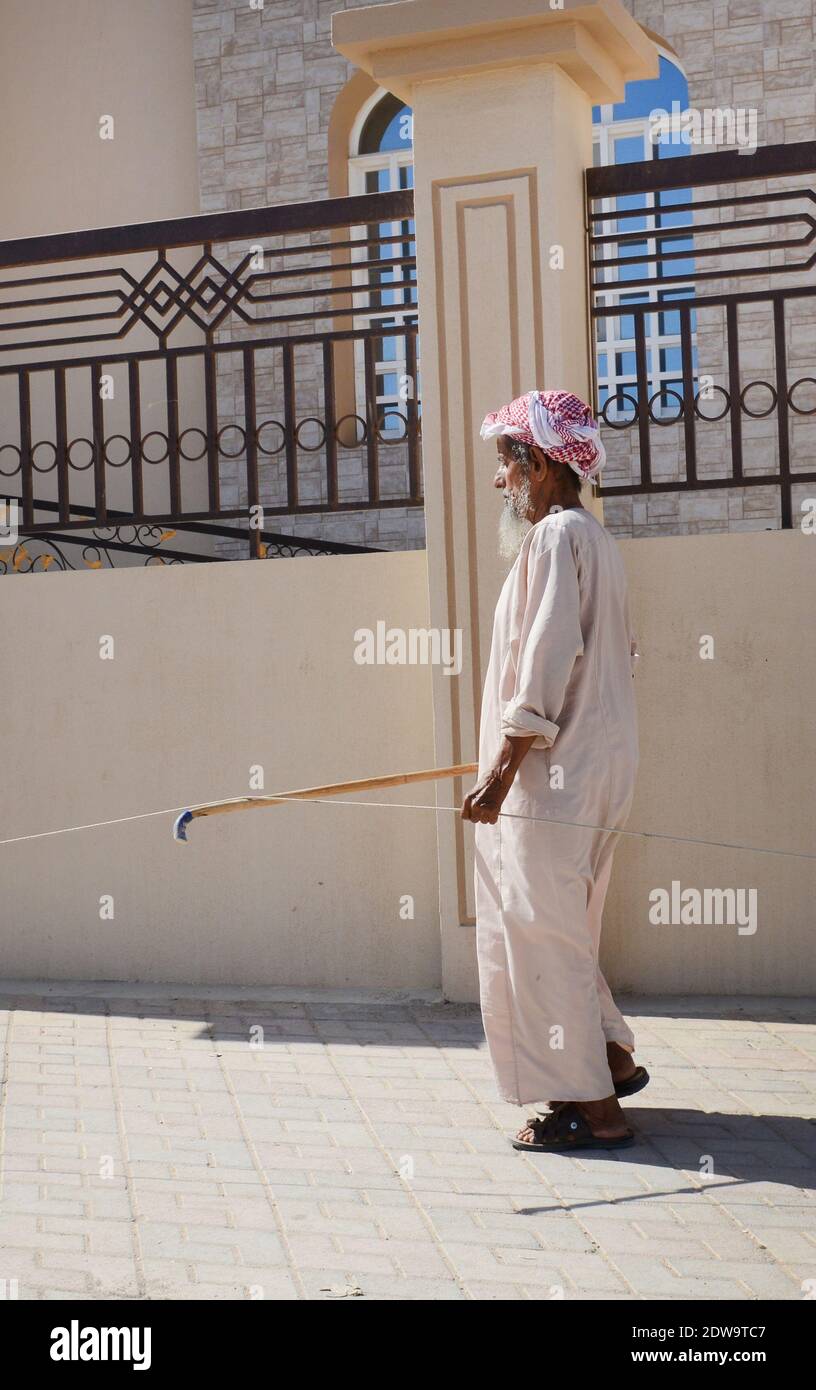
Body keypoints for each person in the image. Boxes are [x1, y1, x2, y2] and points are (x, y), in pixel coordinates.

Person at [461, 388, 647, 1152]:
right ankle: (609, 1053)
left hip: (555, 772)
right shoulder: (592, 537)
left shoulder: (551, 539)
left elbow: (547, 658)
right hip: (596, 762)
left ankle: (594, 1109)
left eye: (505, 465)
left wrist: (502, 771)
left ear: (535, 463)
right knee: (564, 927)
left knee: (540, 932)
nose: (499, 482)